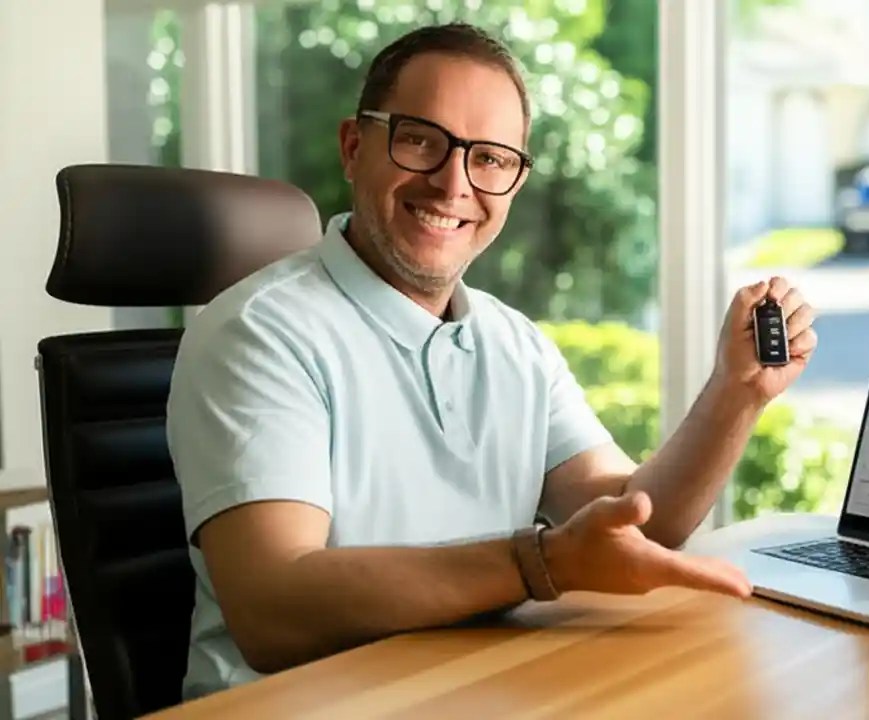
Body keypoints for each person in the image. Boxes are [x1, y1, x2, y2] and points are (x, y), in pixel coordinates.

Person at [167, 21, 817, 699]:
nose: (454, 183)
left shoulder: (516, 343)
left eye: (491, 158)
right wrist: (539, 564)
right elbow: (273, 610)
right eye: (421, 140)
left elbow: (632, 517)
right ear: (355, 146)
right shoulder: (260, 332)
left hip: (472, 692)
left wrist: (736, 394)